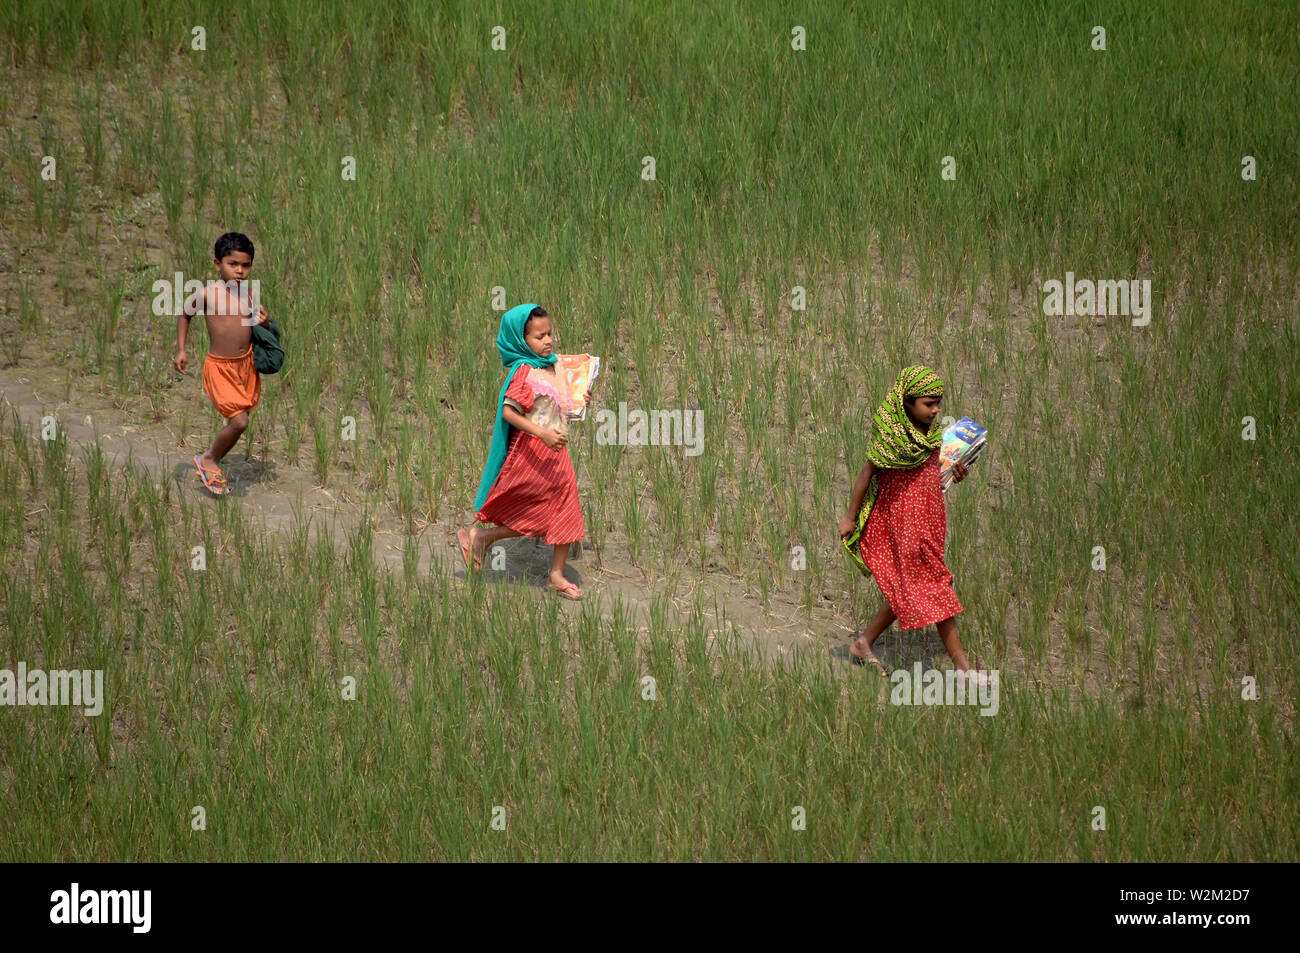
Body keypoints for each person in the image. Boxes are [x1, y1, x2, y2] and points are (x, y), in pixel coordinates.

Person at [837, 365, 984, 683]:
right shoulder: (891, 440)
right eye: (928, 404)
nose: (936, 410)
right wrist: (850, 517)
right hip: (903, 528)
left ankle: (863, 643)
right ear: (907, 403)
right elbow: (866, 476)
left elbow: (936, 477)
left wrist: (956, 474)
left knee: (909, 588)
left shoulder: (934, 438)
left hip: (929, 525)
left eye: (938, 403)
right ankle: (964, 671)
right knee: (936, 589)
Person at [459, 303, 593, 599]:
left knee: (566, 510)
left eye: (549, 334)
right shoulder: (524, 371)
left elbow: (557, 408)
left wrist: (579, 399)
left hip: (557, 454)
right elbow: (509, 412)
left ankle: (556, 575)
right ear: (522, 340)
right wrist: (542, 433)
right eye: (539, 336)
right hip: (533, 452)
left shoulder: (552, 366)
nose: (548, 341)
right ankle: (483, 537)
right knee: (537, 512)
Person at [173, 232, 270, 495]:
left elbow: (256, 326)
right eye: (233, 264)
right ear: (217, 264)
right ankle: (209, 459)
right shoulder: (207, 294)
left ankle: (212, 459)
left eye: (246, 265)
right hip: (220, 368)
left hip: (245, 366)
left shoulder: (249, 294)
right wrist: (181, 349)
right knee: (239, 423)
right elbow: (185, 314)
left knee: (240, 420)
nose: (240, 271)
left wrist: (266, 323)